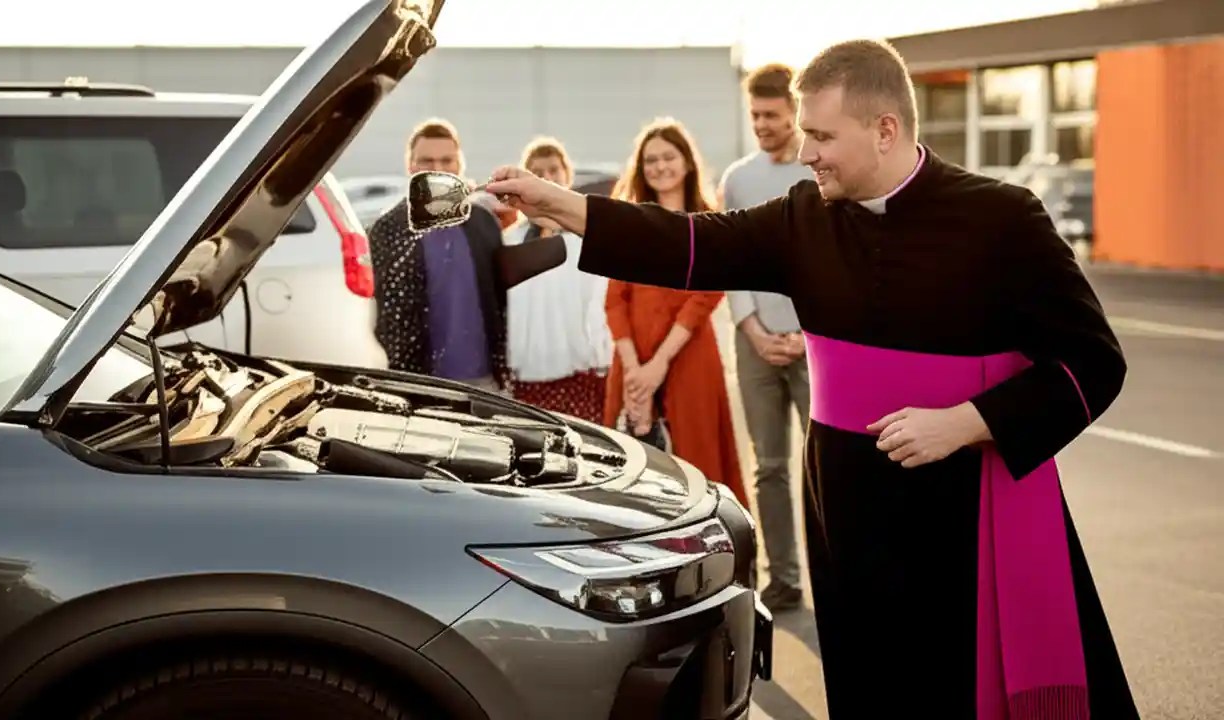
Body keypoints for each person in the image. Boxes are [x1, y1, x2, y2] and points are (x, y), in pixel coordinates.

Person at [484, 40, 1138, 719]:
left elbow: (1094, 362)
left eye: (822, 135)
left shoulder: (1004, 220)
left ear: (885, 130)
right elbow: (688, 242)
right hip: (846, 513)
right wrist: (558, 203)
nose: (806, 153)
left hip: (961, 516)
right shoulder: (803, 218)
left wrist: (967, 422)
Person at [602, 118, 748, 509]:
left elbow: (705, 296)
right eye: (651, 160)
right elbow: (615, 301)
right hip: (631, 359)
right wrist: (636, 372)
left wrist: (660, 364)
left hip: (688, 357)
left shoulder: (707, 223)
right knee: (630, 469)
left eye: (669, 157)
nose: (660, 166)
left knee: (698, 463)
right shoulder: (628, 223)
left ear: (687, 163)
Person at [718, 62, 815, 613]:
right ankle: (785, 578)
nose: (761, 124)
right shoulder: (738, 178)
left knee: (824, 464)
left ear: (795, 113)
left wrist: (808, 334)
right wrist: (753, 329)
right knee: (771, 467)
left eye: (771, 115)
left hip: (815, 345)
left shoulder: (818, 171)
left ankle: (837, 574)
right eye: (754, 114)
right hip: (754, 341)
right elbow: (733, 261)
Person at [368, 118, 508, 392]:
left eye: (447, 161)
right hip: (420, 383)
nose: (438, 169)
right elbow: (384, 312)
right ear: (411, 167)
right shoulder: (388, 228)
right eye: (427, 161)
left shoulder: (483, 221)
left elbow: (500, 300)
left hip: (484, 381)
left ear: (460, 165)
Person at [502, 137, 611, 422]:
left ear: (567, 175)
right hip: (528, 372)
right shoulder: (510, 240)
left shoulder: (588, 237)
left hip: (579, 368)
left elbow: (600, 300)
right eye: (537, 172)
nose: (547, 177)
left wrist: (601, 355)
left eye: (553, 170)